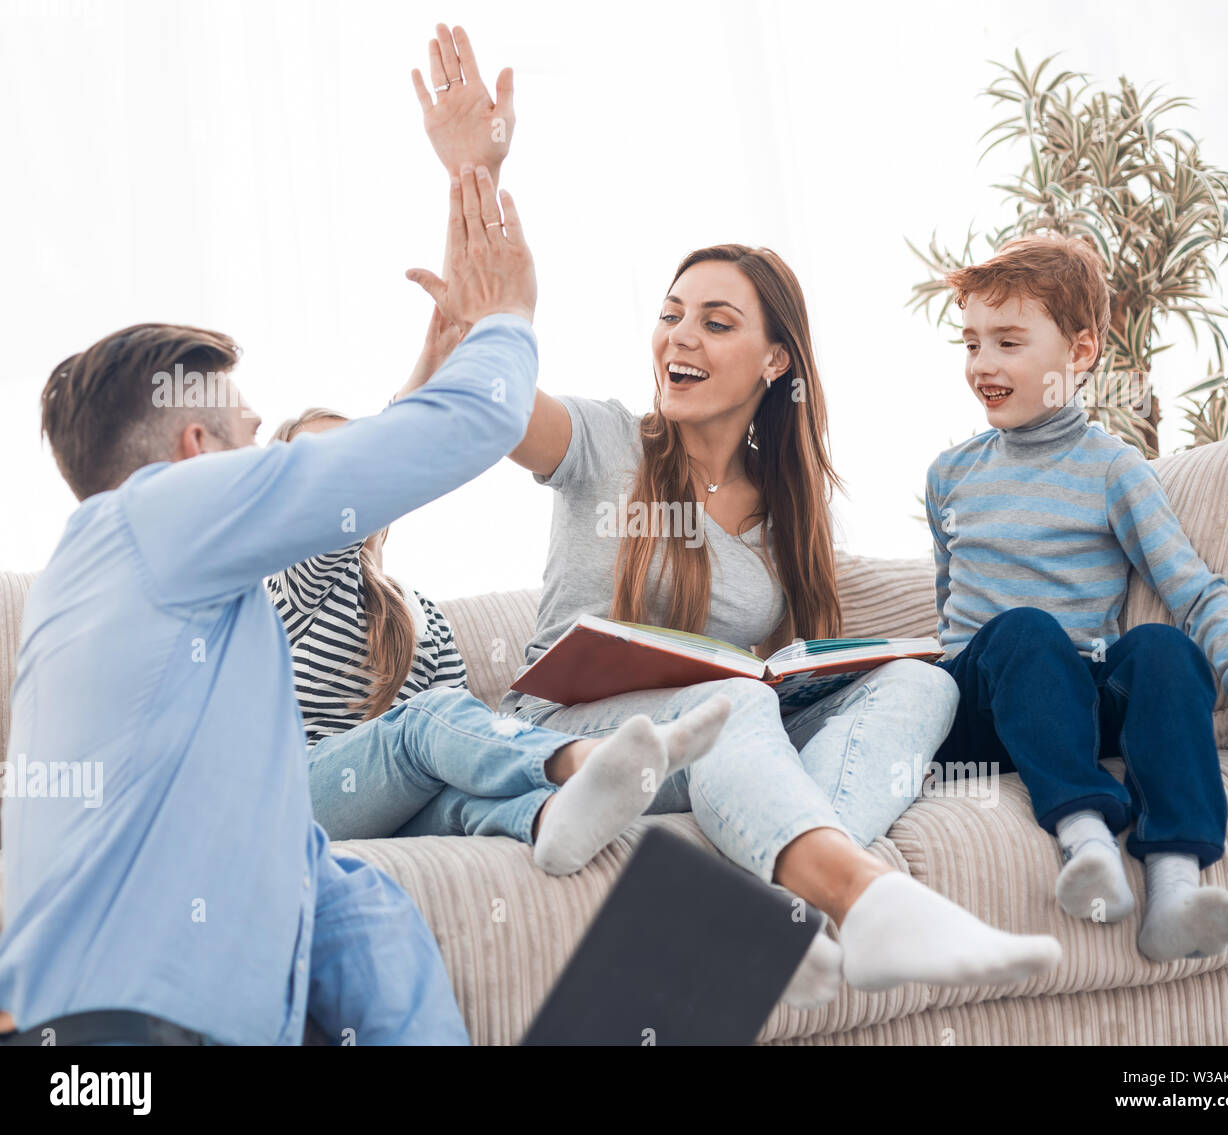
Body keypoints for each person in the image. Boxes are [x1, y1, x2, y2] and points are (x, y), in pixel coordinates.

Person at [403, 25, 1064, 1002]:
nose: (679, 334)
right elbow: (469, 401)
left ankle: (779, 906)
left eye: (716, 322)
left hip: (714, 747)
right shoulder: (603, 443)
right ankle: (862, 899)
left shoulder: (789, 518)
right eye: (673, 312)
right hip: (581, 747)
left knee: (921, 690)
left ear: (773, 362)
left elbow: (790, 679)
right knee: (736, 704)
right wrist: (473, 182)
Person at [0, 166, 538, 1045]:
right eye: (253, 437)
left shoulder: (146, 590)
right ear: (197, 448)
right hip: (113, 1051)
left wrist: (441, 355)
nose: (265, 449)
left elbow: (355, 482)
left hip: (137, 1032)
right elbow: (459, 433)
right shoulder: (155, 517)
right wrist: (508, 314)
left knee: (345, 888)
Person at [925, 231, 1228, 961]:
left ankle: (1174, 884)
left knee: (1163, 648)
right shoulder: (950, 474)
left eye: (1007, 341)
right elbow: (950, 612)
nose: (983, 364)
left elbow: (1195, 591)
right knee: (1022, 630)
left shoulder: (1114, 470)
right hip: (979, 703)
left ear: (1082, 352)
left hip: (1069, 700)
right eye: (971, 343)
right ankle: (1087, 838)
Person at [267, 404, 729, 876]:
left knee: (461, 793)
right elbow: (353, 499)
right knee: (426, 719)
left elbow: (460, 739)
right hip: (297, 797)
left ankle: (551, 821)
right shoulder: (288, 579)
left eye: (351, 453)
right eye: (320, 460)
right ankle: (587, 761)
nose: (344, 468)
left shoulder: (424, 615)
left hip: (382, 805)